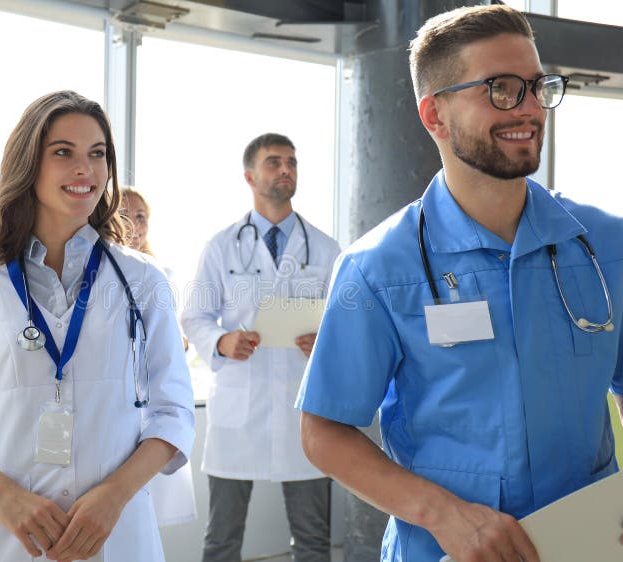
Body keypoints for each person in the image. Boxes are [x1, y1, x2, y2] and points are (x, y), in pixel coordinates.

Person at [297, 5, 623, 562]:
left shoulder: (604, 245)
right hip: (443, 552)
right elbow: (324, 430)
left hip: (587, 541)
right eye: (500, 88)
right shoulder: (378, 268)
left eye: (535, 85)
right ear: (435, 116)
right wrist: (445, 517)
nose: (528, 108)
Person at [0, 91, 195, 562]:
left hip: (112, 535)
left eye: (98, 154)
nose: (86, 169)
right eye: (63, 153)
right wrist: (0, 495)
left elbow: (174, 410)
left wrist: (114, 496)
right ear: (27, 163)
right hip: (0, 536)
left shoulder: (143, 279)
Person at [182, 133, 341, 562]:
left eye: (291, 162)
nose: (286, 169)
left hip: (302, 411)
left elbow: (346, 325)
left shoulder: (326, 249)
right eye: (274, 162)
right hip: (240, 408)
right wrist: (222, 341)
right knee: (222, 540)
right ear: (250, 176)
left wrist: (323, 342)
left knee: (312, 541)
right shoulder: (221, 246)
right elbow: (194, 317)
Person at [119, 186, 198, 527]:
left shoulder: (159, 273)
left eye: (141, 217)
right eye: (125, 215)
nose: (135, 225)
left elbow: (170, 336)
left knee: (142, 511)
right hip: (117, 399)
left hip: (150, 399)